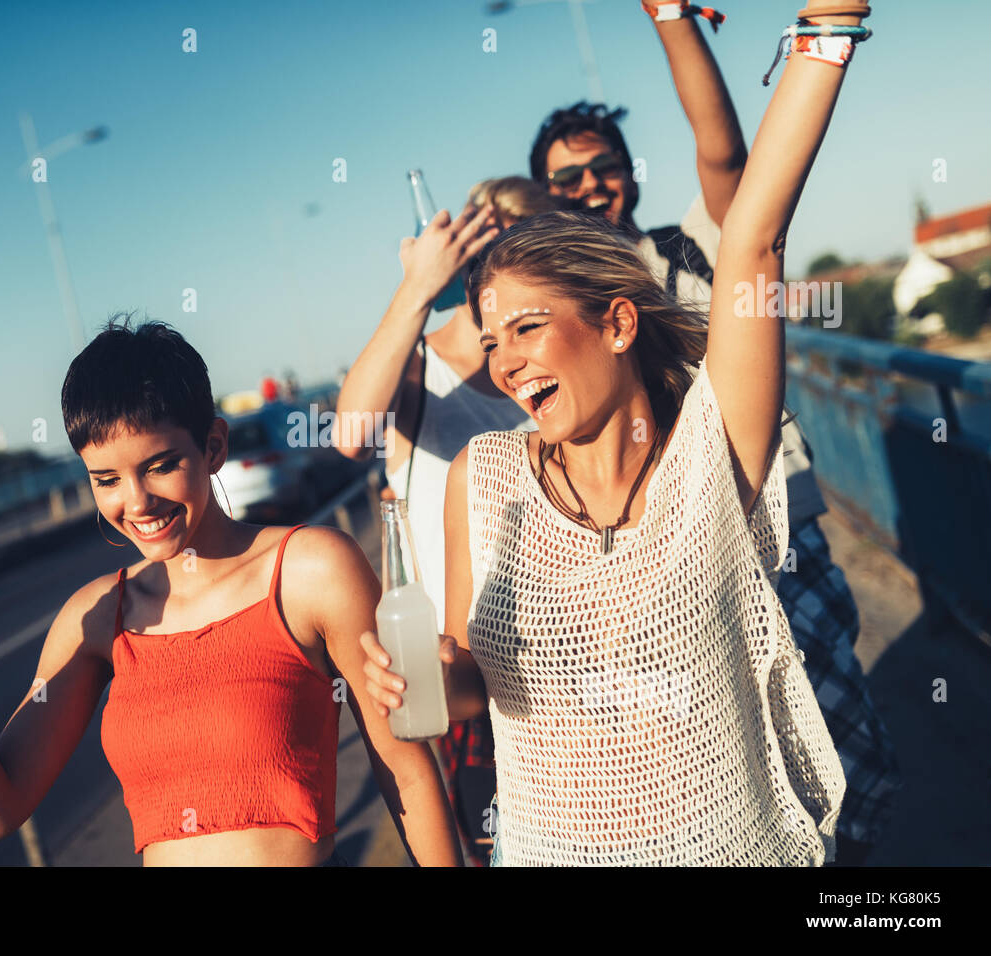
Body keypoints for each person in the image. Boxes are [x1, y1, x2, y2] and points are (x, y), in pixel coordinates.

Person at [365, 0, 874, 865]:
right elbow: (467, 682)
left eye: (526, 328)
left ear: (619, 325)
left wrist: (826, 34)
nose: (505, 363)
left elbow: (753, 239)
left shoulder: (714, 457)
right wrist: (419, 683)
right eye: (491, 342)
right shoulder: (481, 479)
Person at [0, 315, 461, 867]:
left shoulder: (312, 568)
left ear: (213, 445)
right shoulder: (98, 617)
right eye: (106, 479)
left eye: (160, 465)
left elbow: (404, 765)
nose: (136, 503)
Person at [530, 3, 900, 864]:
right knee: (731, 784)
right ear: (545, 200)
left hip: (776, 532)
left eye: (603, 167)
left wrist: (671, 19)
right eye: (567, 179)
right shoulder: (550, 316)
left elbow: (730, 159)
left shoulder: (693, 250)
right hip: (669, 567)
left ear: (630, 173)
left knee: (859, 768)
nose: (590, 186)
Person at [337, 177, 563, 865]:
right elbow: (350, 431)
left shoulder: (550, 354)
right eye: (484, 247)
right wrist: (414, 289)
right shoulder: (420, 363)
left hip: (554, 652)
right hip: (458, 670)